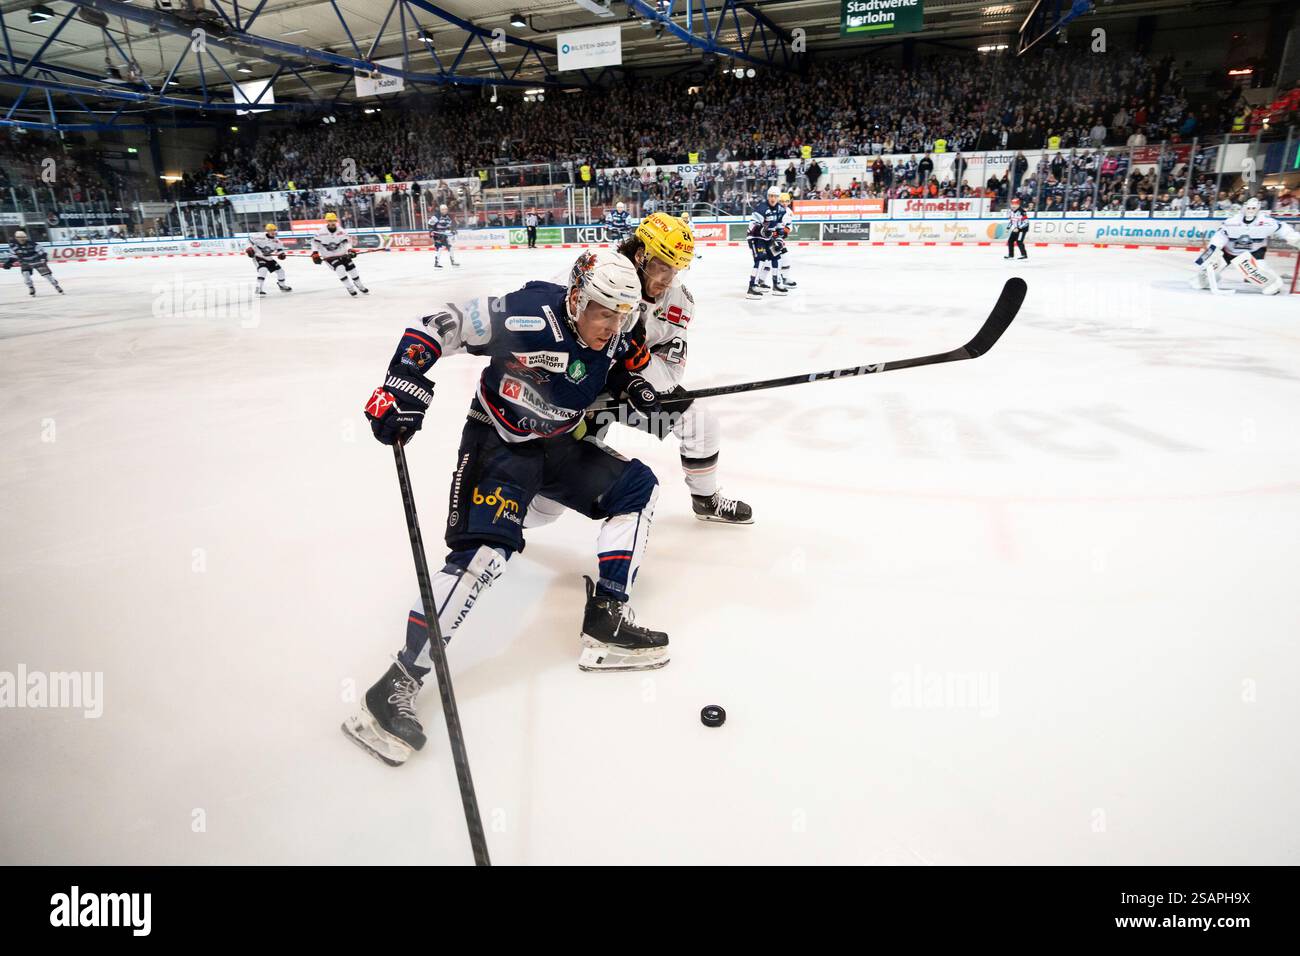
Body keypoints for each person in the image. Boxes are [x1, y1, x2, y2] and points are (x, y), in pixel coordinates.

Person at [345, 250, 670, 766]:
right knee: (484, 559)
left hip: (557, 446)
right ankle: (395, 685)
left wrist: (638, 390)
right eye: (603, 311)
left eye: (621, 313)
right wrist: (403, 385)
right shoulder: (529, 314)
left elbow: (619, 367)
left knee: (638, 487)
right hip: (500, 443)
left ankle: (606, 616)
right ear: (576, 297)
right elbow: (435, 325)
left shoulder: (619, 331)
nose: (611, 325)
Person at [580, 212, 753, 524]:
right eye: (663, 267)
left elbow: (670, 373)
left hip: (633, 391)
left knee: (700, 424)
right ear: (641, 255)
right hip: (580, 387)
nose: (668, 280)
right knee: (557, 480)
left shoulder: (678, 302)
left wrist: (640, 367)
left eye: (677, 270)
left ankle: (705, 500)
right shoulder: (601, 272)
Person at [1191, 197, 1300, 294]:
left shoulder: (1266, 222)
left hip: (1253, 253)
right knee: (1206, 269)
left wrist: (1293, 237)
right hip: (1229, 251)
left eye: (1253, 208)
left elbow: (1282, 228)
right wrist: (1212, 250)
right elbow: (1220, 236)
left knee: (1260, 270)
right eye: (1249, 208)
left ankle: (1274, 283)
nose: (1250, 211)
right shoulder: (1231, 222)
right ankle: (1208, 278)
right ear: (1244, 208)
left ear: (1258, 209)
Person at [311, 212, 369, 296]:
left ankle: (359, 284)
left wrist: (350, 250)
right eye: (330, 220)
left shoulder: (341, 231)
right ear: (327, 221)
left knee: (352, 268)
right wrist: (315, 253)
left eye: (334, 220)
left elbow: (346, 242)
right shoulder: (320, 232)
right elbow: (314, 243)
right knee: (340, 268)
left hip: (342, 253)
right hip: (329, 256)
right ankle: (349, 287)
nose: (332, 222)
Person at [746, 185, 787, 298]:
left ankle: (776, 284)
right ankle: (752, 287)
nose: (772, 198)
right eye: (770, 196)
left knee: (776, 257)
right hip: (756, 238)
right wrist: (762, 230)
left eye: (775, 196)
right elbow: (752, 226)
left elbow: (779, 227)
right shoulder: (761, 208)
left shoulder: (780, 210)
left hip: (768, 238)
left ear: (778, 197)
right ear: (768, 196)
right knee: (760, 259)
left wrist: (779, 239)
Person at [2, 230, 63, 296]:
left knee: (47, 275)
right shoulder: (13, 246)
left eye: (23, 237)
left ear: (26, 237)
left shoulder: (32, 244)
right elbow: (13, 256)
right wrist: (9, 262)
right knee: (26, 275)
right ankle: (31, 287)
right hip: (25, 262)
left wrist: (43, 258)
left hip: (37, 261)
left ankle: (56, 285)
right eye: (20, 237)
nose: (22, 239)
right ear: (16, 238)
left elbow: (42, 252)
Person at [245, 223, 292, 295]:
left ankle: (282, 285)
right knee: (263, 270)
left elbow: (279, 250)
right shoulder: (259, 237)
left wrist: (281, 255)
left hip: (268, 258)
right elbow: (249, 240)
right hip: (258, 256)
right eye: (271, 230)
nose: (273, 232)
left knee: (280, 271)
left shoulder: (277, 241)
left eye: (274, 230)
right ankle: (258, 288)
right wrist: (249, 248)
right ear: (267, 231)